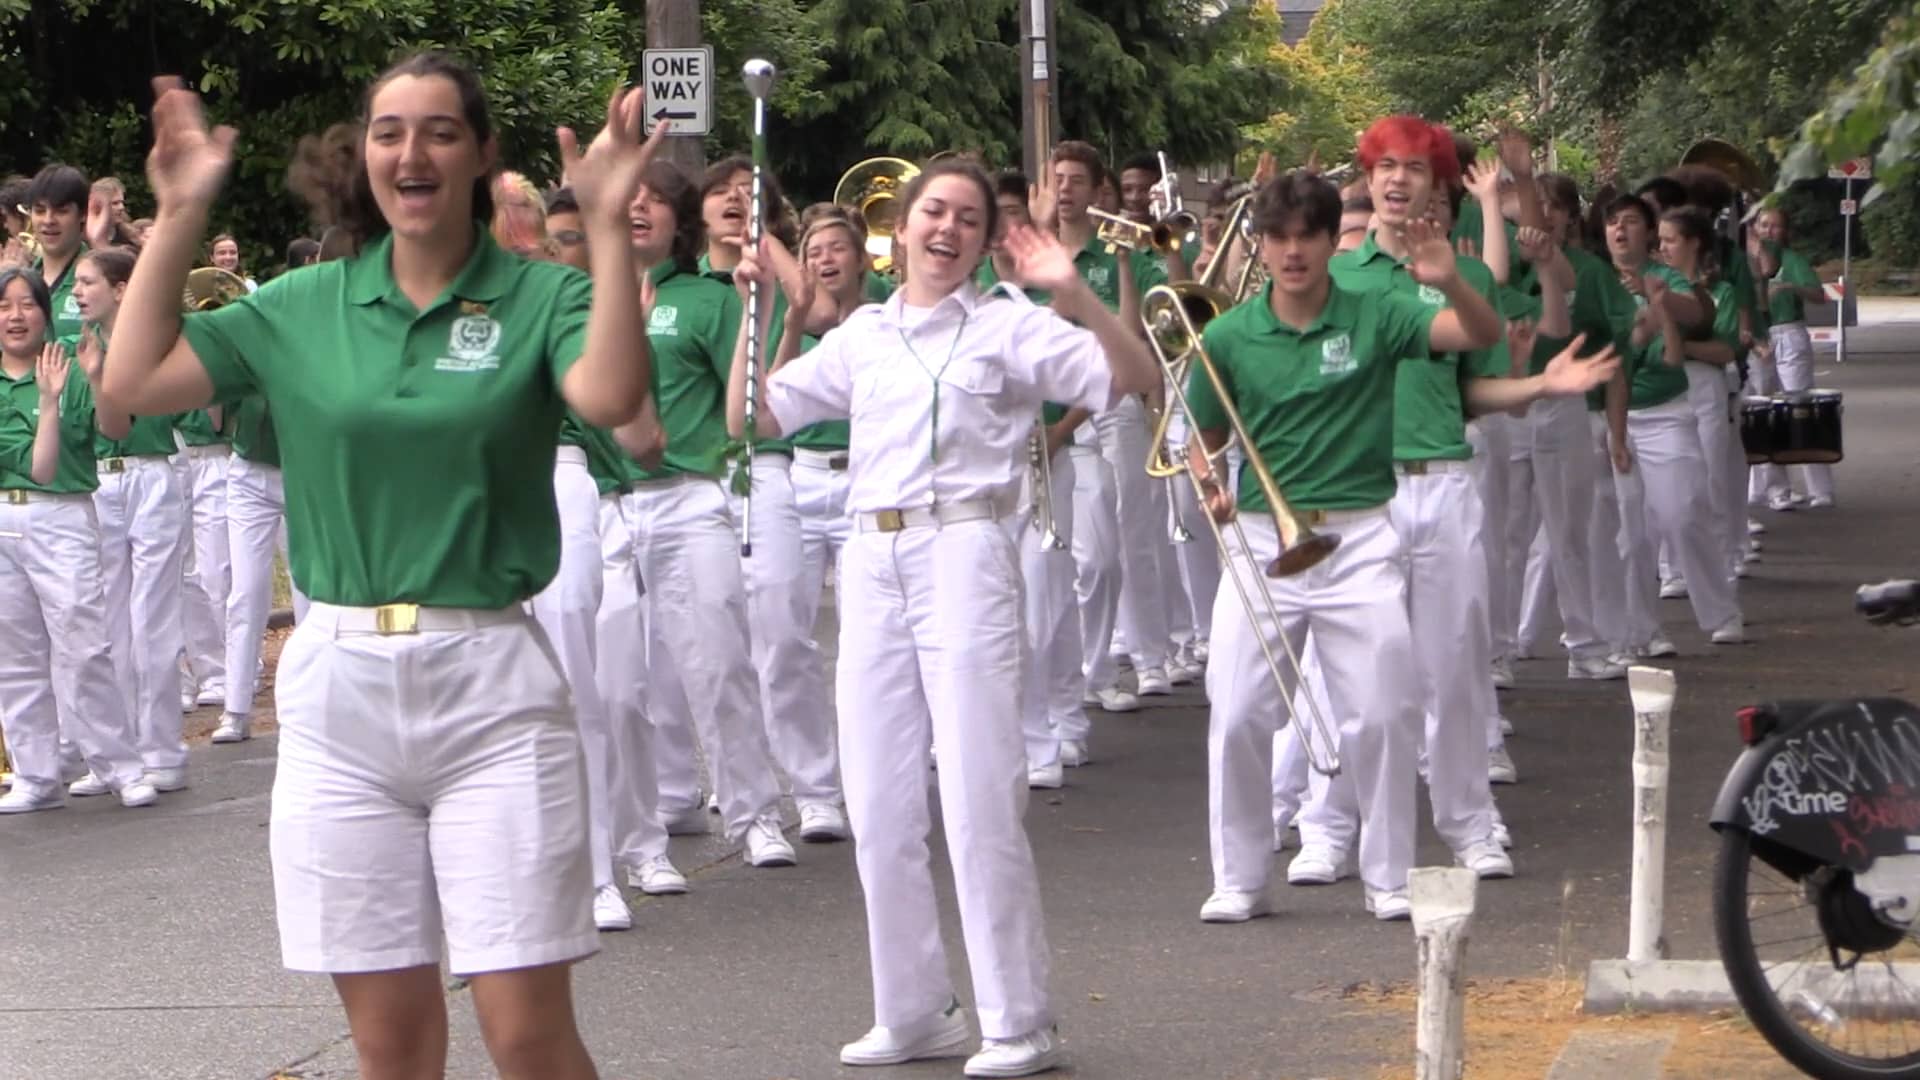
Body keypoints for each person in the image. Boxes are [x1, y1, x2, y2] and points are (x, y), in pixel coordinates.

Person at [101, 56, 663, 1078]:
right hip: (338, 688)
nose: (413, 152)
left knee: (526, 1031)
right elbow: (134, 380)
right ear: (365, 155)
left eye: (441, 131)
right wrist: (178, 210)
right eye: (390, 130)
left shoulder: (540, 297)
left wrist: (613, 225)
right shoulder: (302, 307)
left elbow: (618, 397)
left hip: (492, 687)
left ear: (482, 153)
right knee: (389, 1042)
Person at [728, 157, 1156, 1077]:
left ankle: (1020, 1017)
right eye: (934, 211)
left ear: (984, 235)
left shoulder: (1009, 326)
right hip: (870, 557)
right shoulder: (865, 334)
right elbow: (753, 415)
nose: (947, 230)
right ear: (904, 223)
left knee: (975, 791)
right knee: (879, 797)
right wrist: (761, 311)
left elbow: (1132, 376)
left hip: (966, 550)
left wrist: (1069, 286)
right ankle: (913, 1007)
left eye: (968, 218)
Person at [1186, 169, 1608, 925]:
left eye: (1305, 238)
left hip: (1357, 537)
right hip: (1261, 542)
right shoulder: (1227, 334)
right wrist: (1209, 485)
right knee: (1240, 710)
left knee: (1382, 711)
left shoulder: (1375, 312)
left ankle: (1387, 875)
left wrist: (1452, 281)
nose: (1291, 253)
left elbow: (1476, 337)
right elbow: (1202, 440)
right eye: (1276, 239)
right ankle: (1240, 875)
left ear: (1325, 242)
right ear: (1263, 244)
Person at [0, 264, 158, 813]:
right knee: (15, 656)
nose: (15, 317)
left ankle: (120, 766)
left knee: (83, 647)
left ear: (46, 312)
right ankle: (36, 776)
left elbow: (115, 431)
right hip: (3, 520)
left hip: (63, 516)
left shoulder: (71, 358)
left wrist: (95, 379)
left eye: (27, 305)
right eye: (4, 306)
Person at [67, 247, 195, 796]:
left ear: (121, 289)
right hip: (100, 479)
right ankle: (116, 755)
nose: (76, 292)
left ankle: (164, 749)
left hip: (148, 474)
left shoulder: (152, 337)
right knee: (108, 623)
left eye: (87, 282)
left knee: (152, 619)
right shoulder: (80, 345)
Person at [1748, 205, 1832, 509]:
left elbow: (1819, 295)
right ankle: (1776, 491)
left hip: (1788, 333)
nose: (1769, 231)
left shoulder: (1793, 260)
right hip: (1759, 339)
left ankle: (1820, 490)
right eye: (1764, 225)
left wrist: (1789, 286)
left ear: (1786, 232)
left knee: (1801, 407)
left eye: (1776, 226)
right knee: (1761, 412)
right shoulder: (1745, 262)